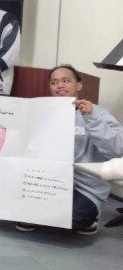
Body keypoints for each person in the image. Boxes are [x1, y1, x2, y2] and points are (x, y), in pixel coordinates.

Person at [16, 65, 123, 235]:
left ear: (79, 85)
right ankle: (38, 214)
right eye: (54, 82)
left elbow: (118, 150)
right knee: (12, 206)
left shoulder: (98, 113)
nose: (59, 85)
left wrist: (92, 120)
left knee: (73, 218)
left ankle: (88, 216)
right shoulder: (43, 113)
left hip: (84, 188)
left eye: (66, 81)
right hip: (48, 182)